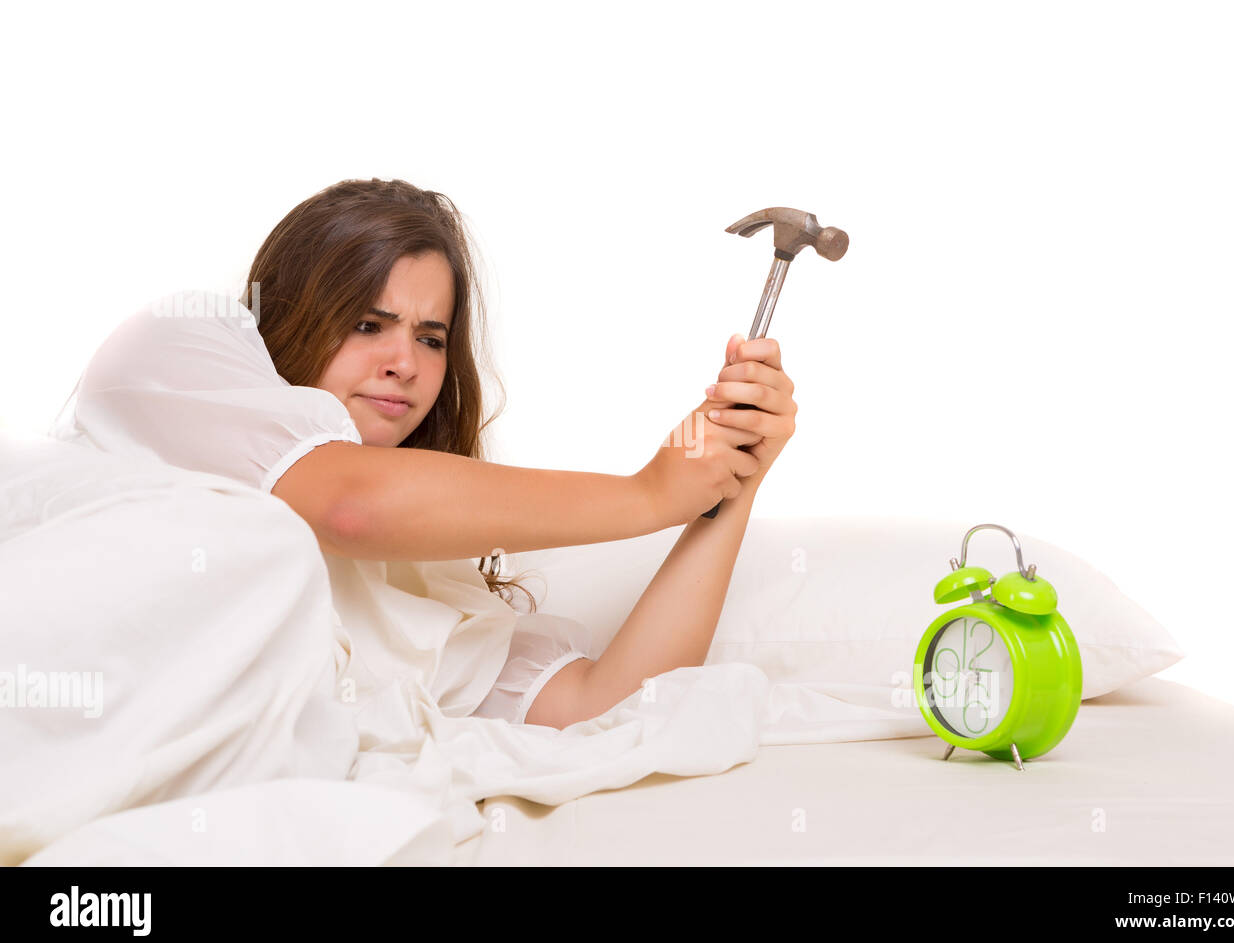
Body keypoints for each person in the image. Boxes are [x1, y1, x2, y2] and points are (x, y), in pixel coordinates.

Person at [48, 177, 799, 732]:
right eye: (367, 324)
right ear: (283, 314)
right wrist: (647, 495)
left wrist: (732, 480)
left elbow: (603, 709)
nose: (405, 363)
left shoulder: (426, 580)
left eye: (431, 338)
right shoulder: (178, 350)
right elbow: (350, 506)